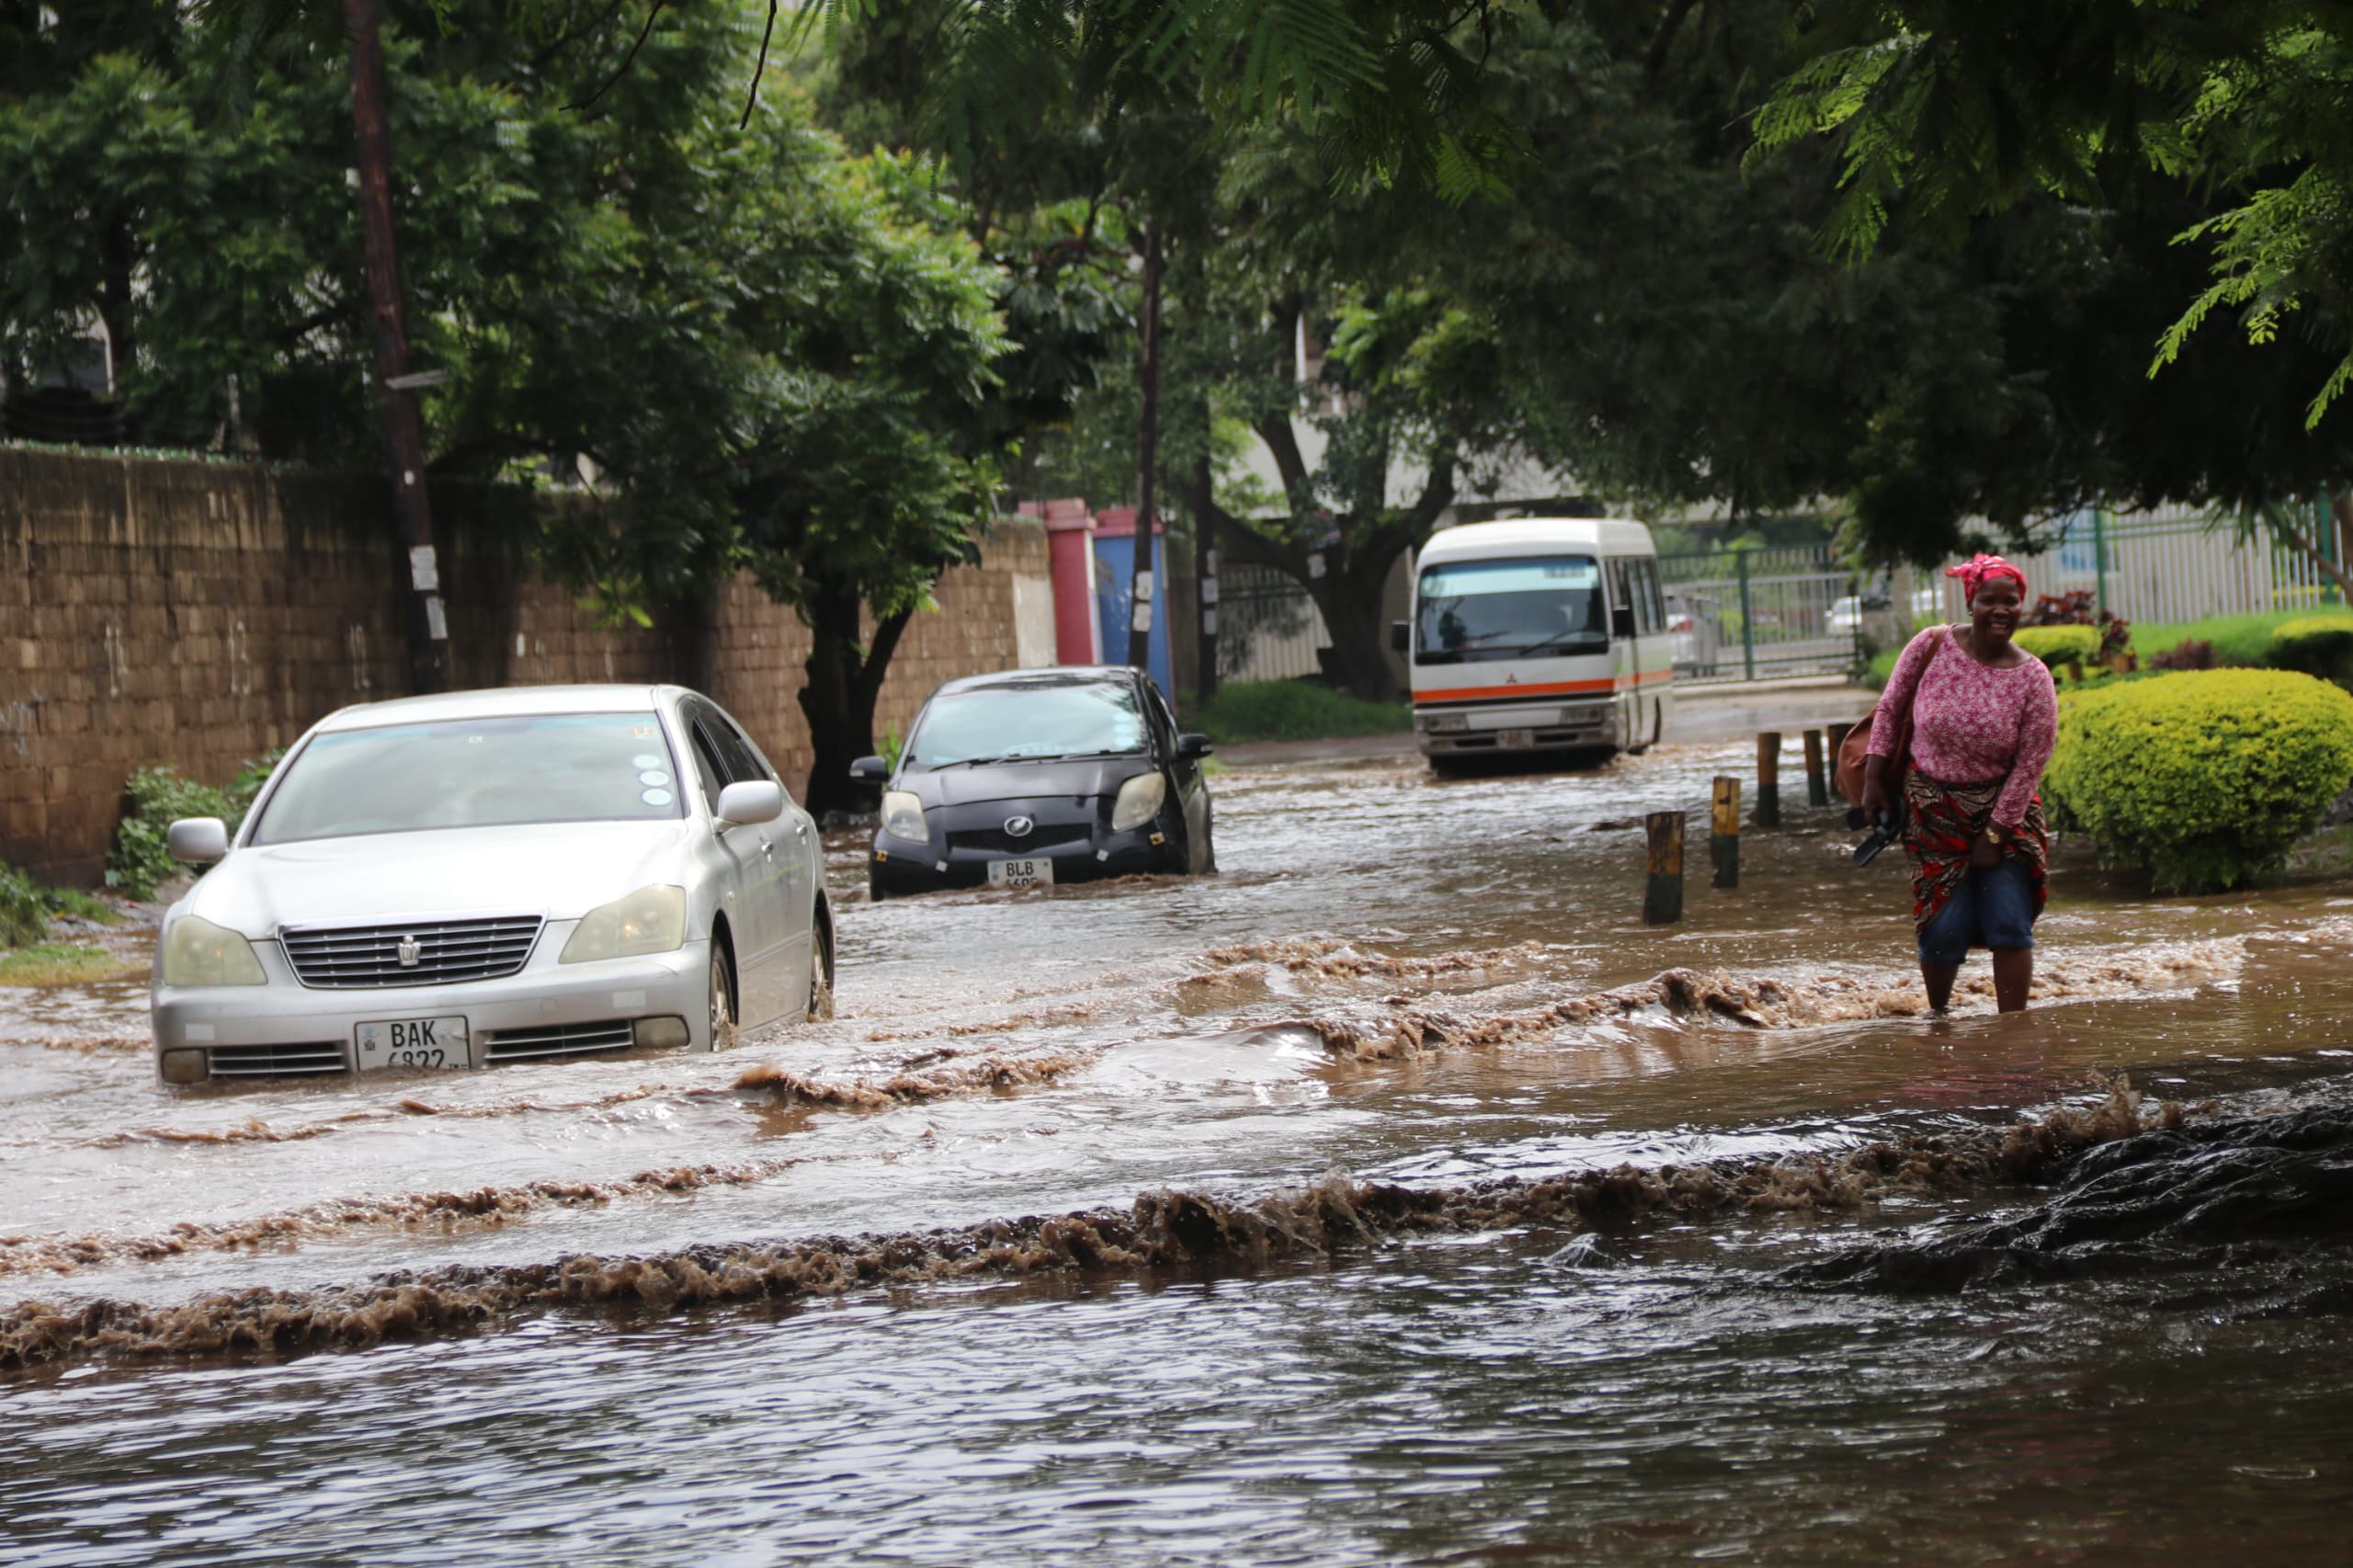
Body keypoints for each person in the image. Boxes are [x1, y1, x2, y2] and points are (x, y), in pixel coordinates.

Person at [1859, 555, 2058, 1013]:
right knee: (1942, 930)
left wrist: (1994, 834)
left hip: (2004, 818)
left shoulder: (2034, 679)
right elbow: (1889, 711)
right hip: (1932, 816)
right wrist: (1873, 778)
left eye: (2011, 602)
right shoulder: (1930, 646)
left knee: (2009, 923)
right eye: (1989, 600)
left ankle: (2014, 1033)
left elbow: (2030, 765)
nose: (2000, 610)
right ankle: (1940, 1022)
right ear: (1972, 602)